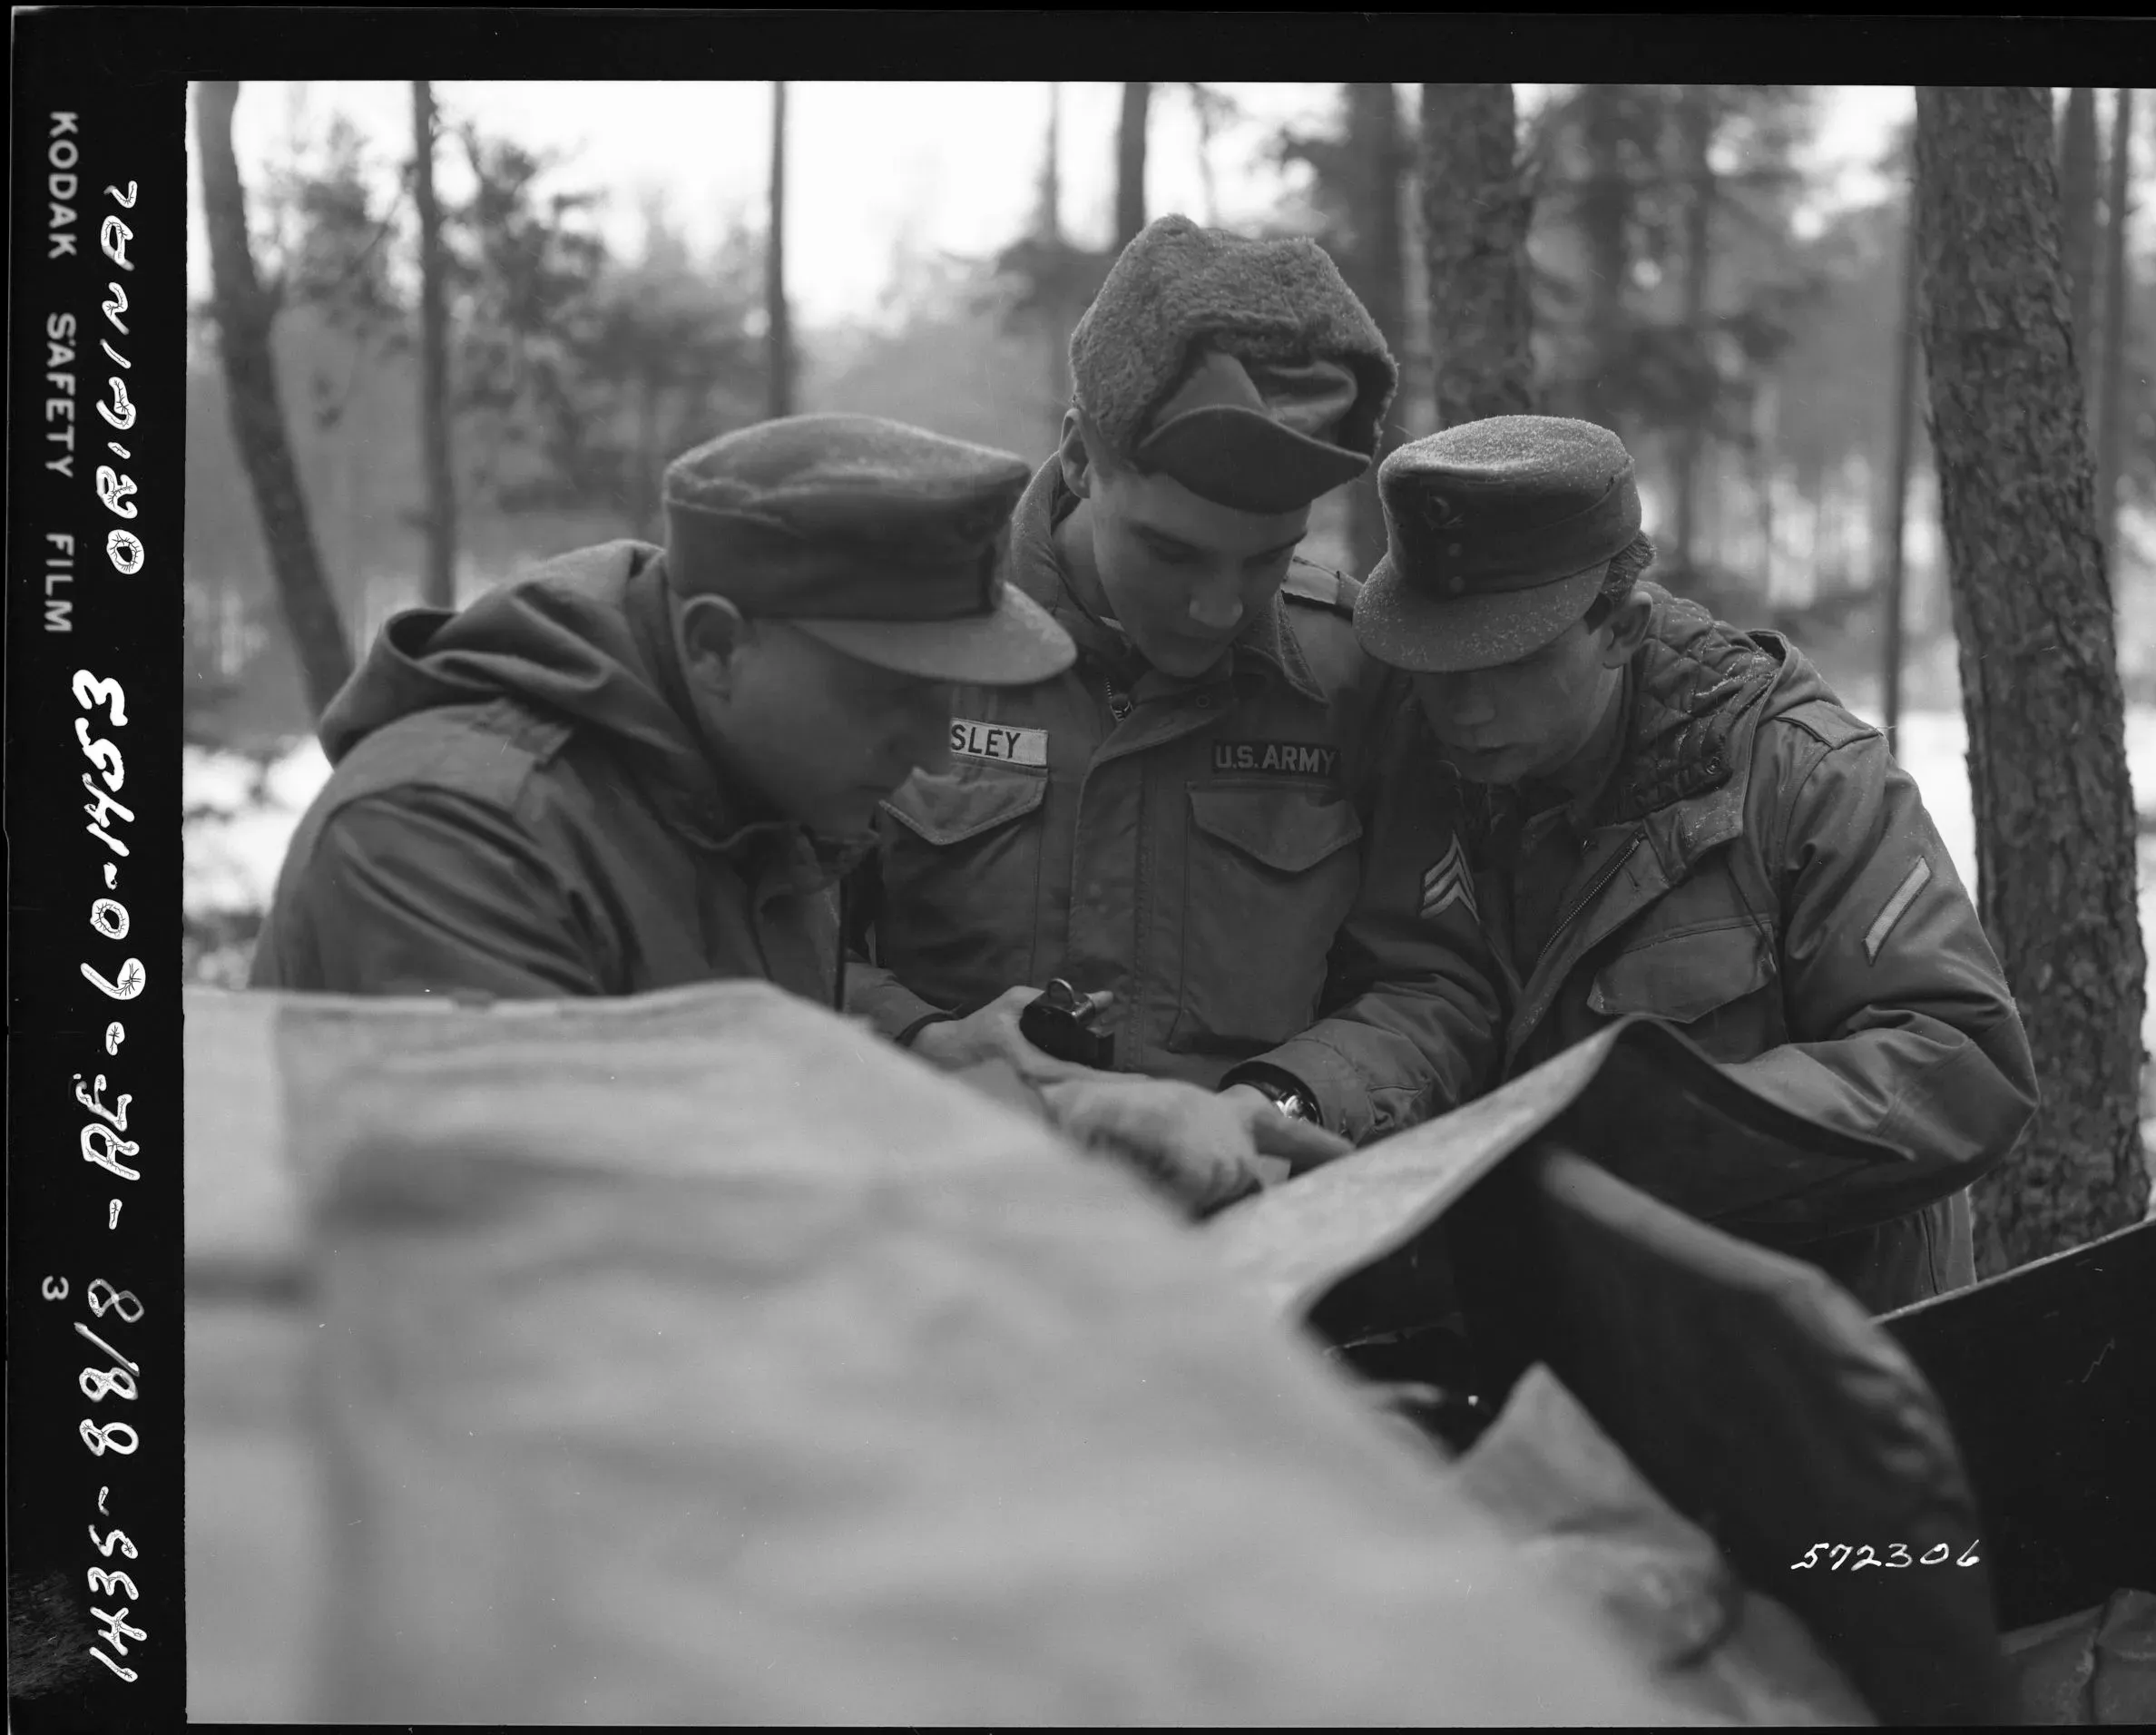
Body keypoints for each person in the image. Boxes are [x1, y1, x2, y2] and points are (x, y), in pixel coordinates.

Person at [249, 412, 1338, 1207]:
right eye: (885, 693)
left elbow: (753, 1109)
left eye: (948, 698)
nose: (923, 747)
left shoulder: (765, 791)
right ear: (718, 644)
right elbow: (558, 1243)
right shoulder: (455, 833)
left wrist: (1071, 1111)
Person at [842, 216, 1503, 1188]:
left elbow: (1432, 982)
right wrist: (923, 1038)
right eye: (1172, 551)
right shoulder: (910, 639)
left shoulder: (1352, 674)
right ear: (1078, 459)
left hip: (1244, 1240)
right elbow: (757, 945)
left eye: (1269, 557)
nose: (1217, 606)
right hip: (942, 1221)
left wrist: (1277, 1104)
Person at [1351, 415, 2040, 1312]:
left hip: (1800, 1370)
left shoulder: (1805, 782)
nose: (1462, 706)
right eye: (1435, 662)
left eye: (1509, 660)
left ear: (1622, 629)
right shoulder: (1417, 773)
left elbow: (1957, 1063)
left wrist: (1635, 1140)